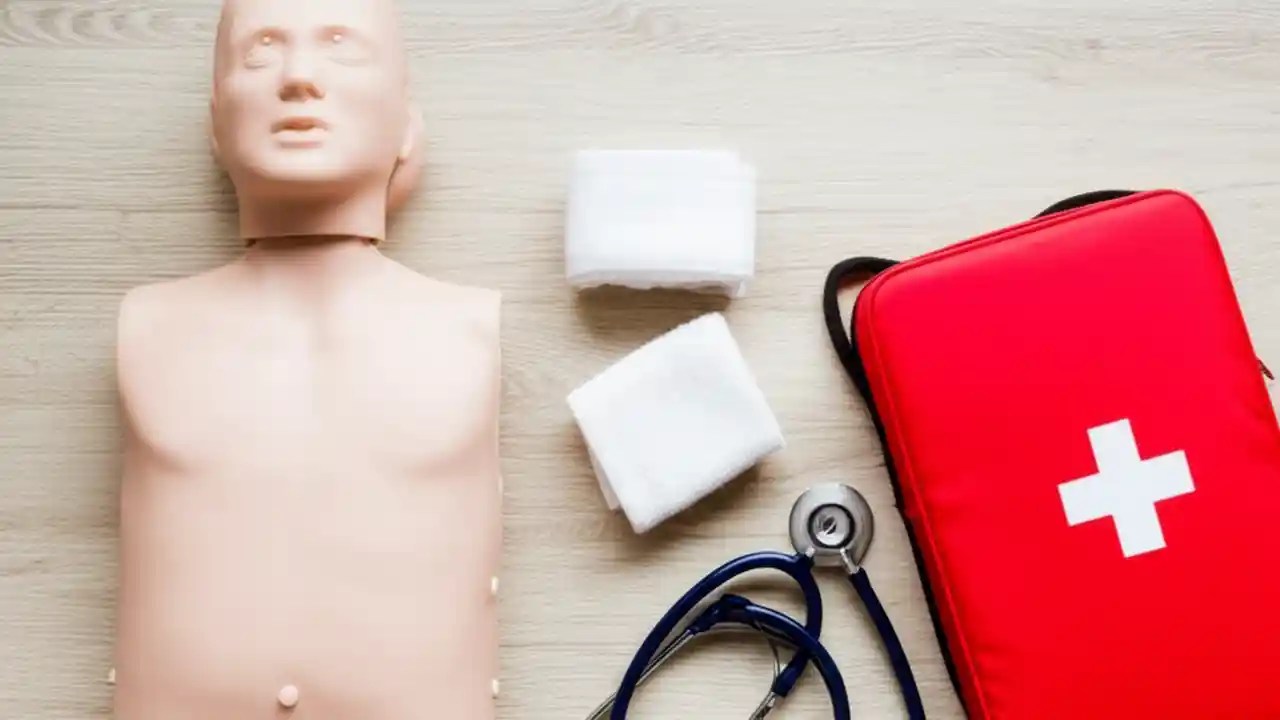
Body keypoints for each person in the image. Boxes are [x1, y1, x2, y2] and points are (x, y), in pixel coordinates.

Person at [112, 1, 503, 716]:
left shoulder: (469, 327)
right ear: (215, 121)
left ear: (407, 123)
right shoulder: (149, 324)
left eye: (341, 49)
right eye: (260, 52)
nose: (297, 77)